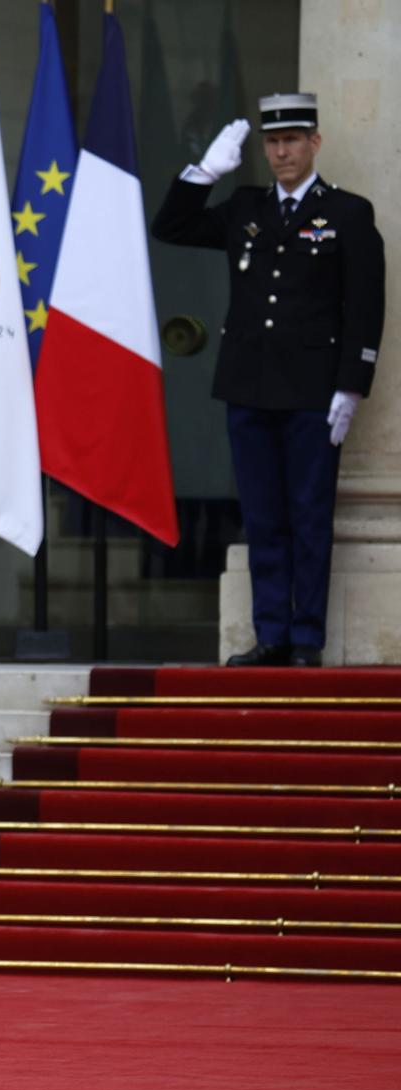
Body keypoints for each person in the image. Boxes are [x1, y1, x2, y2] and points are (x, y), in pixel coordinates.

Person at [152, 93, 385, 668]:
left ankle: (307, 638)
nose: (282, 152)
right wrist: (204, 173)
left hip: (313, 392)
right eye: (273, 142)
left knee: (309, 515)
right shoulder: (245, 207)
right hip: (248, 387)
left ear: (314, 143)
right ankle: (272, 633)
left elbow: (365, 306)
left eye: (292, 141)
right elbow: (172, 226)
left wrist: (352, 384)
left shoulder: (347, 213)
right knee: (262, 517)